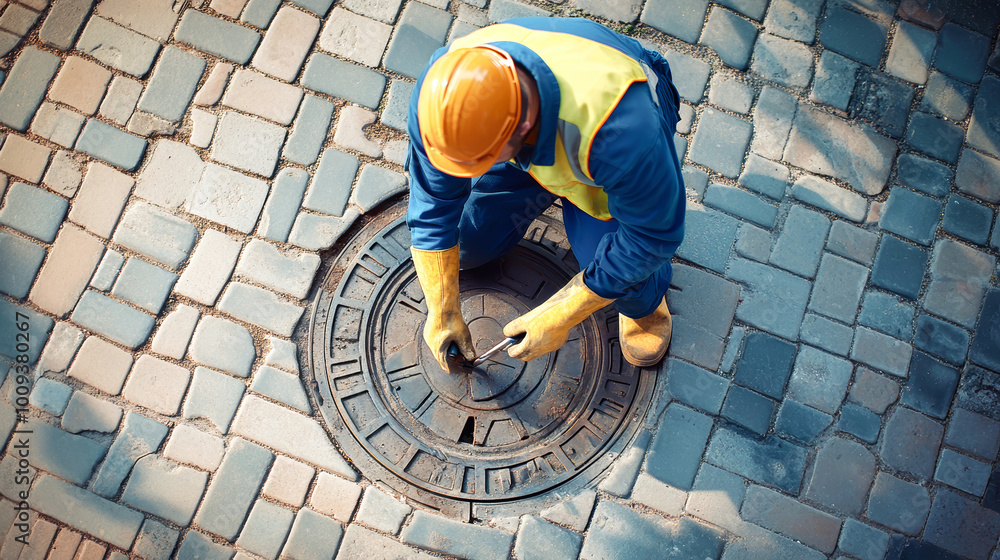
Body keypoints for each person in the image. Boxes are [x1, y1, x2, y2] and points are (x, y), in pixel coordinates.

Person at [405, 16, 686, 371]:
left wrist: (562, 313)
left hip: (598, 152)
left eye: (479, 160)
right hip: (536, 146)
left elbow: (651, 236)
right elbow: (433, 199)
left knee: (622, 270)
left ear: (522, 128)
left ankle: (645, 308)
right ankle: (541, 182)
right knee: (466, 246)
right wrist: (442, 309)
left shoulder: (624, 131)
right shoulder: (442, 95)